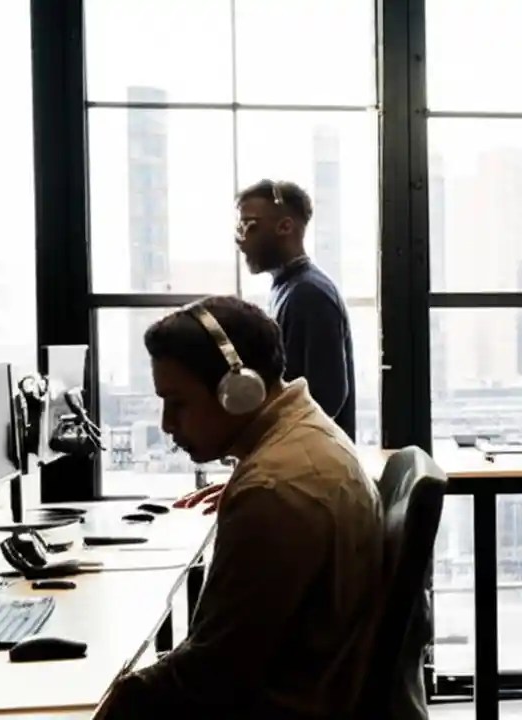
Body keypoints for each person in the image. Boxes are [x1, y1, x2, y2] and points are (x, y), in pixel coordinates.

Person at [98, 296, 383, 719]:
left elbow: (210, 674)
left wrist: (108, 702)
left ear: (239, 392)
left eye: (178, 403)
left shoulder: (274, 491)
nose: (166, 424)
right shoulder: (305, 435)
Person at [174, 179, 356, 514]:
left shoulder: (309, 295)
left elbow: (327, 395)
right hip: (298, 468)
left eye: (249, 225)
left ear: (285, 226)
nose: (241, 238)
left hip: (308, 480)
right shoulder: (289, 289)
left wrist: (269, 469)